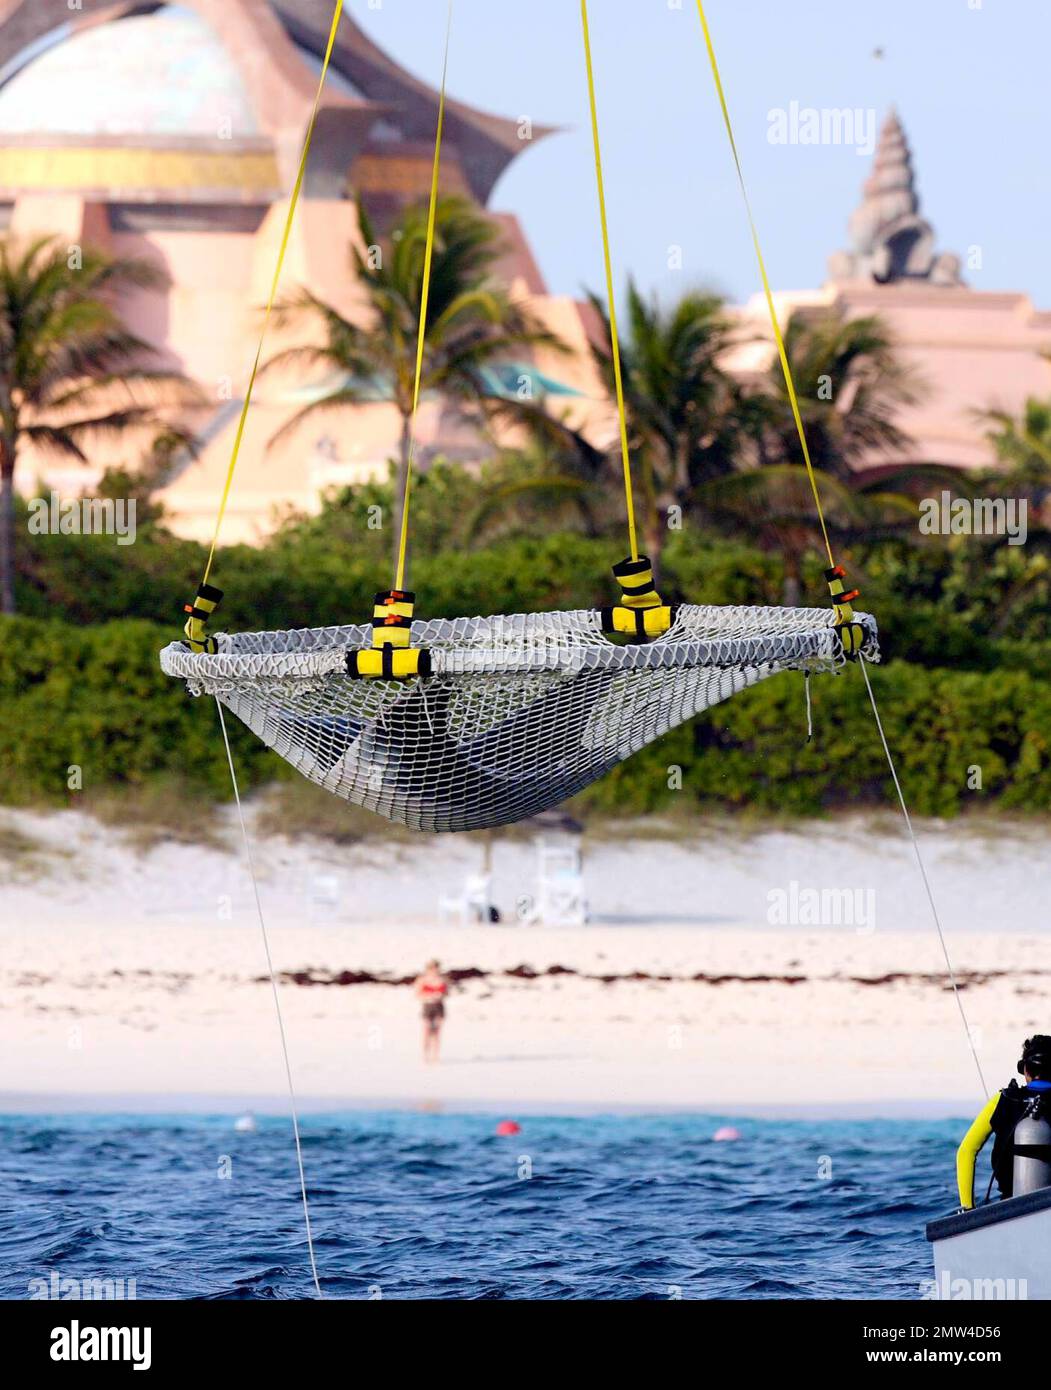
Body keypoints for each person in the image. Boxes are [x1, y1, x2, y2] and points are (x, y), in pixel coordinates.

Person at [956, 1035, 1051, 1209]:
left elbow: (966, 1151)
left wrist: (967, 1209)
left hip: (1009, 1206)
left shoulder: (1002, 1099)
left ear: (1025, 1070)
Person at [413, 959, 448, 1064]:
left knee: (437, 1032)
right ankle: (425, 1056)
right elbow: (417, 994)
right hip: (427, 1006)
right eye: (432, 968)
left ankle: (435, 1056)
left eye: (436, 968)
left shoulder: (443, 979)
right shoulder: (422, 980)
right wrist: (428, 997)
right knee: (426, 1031)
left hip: (439, 1006)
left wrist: (440, 996)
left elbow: (447, 993)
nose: (434, 970)